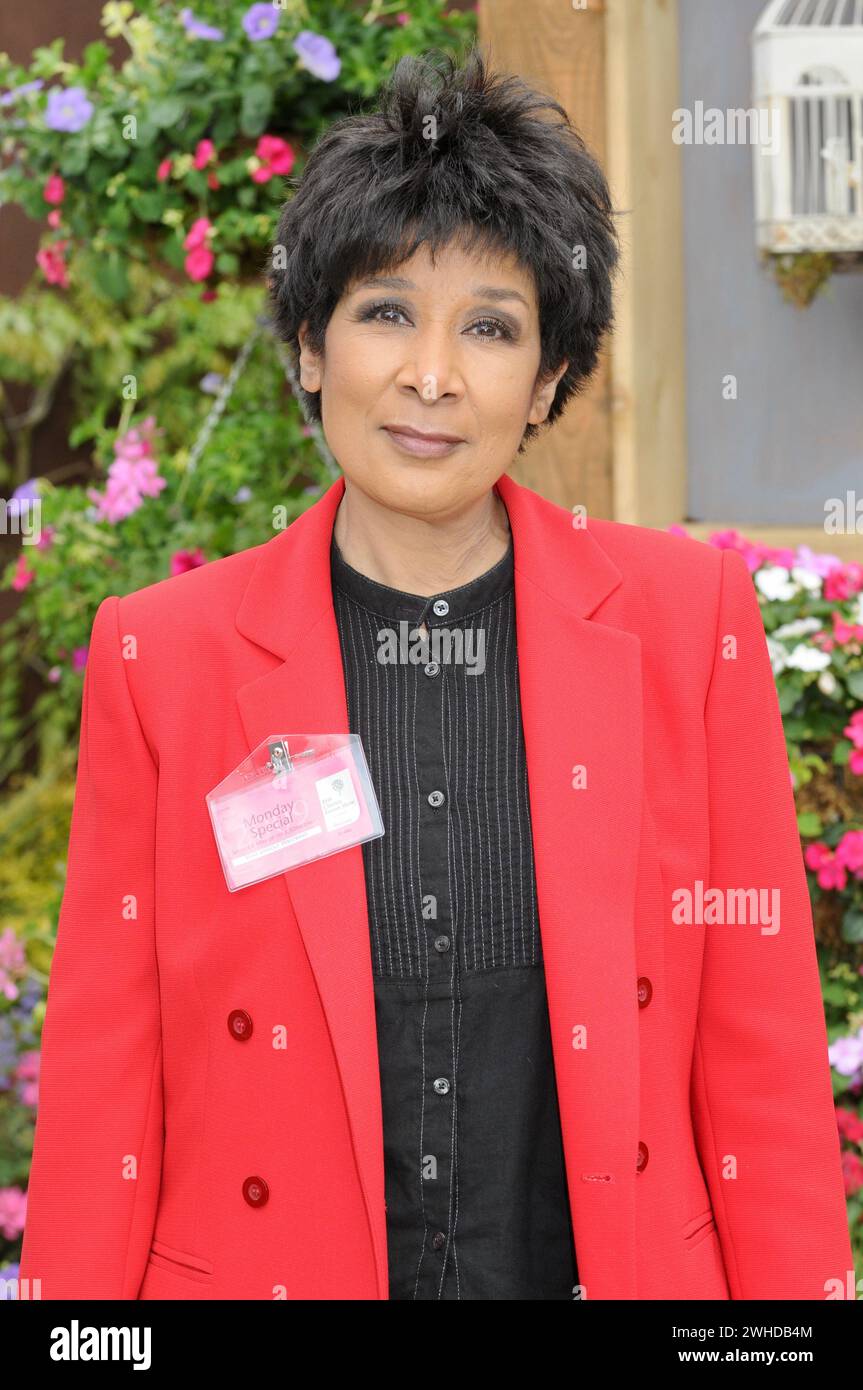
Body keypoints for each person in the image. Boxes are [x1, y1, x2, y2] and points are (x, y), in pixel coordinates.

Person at [18, 46, 851, 1301]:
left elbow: (760, 1066)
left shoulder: (687, 626)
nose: (431, 376)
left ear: (551, 379)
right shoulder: (166, 654)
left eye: (491, 328)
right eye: (386, 311)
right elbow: (103, 1079)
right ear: (308, 345)